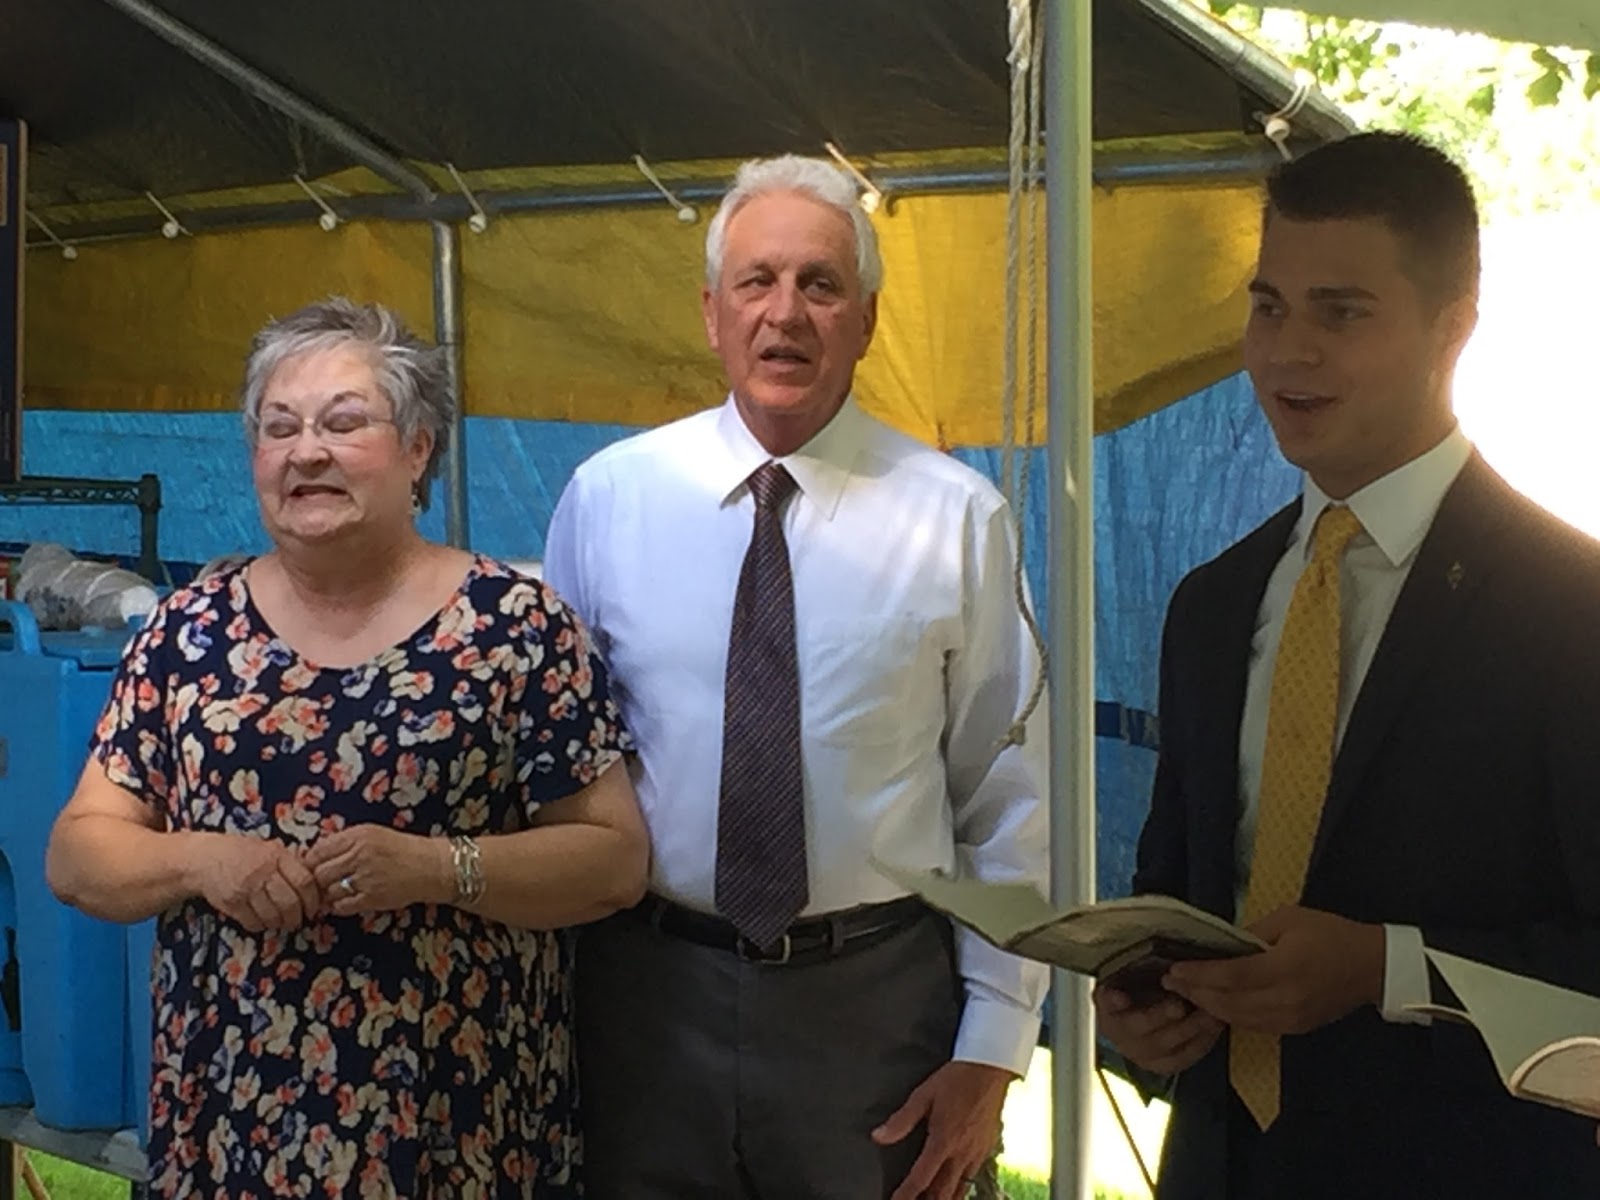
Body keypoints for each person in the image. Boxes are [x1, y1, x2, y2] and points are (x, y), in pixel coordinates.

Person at [45, 298, 649, 1197]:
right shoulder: (188, 633)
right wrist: (205, 861)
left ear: (418, 449)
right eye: (278, 427)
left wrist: (439, 869)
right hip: (233, 1126)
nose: (306, 452)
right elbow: (78, 855)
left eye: (343, 422)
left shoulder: (515, 629)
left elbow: (613, 860)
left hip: (457, 1126)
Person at [1096, 130, 1600, 1199]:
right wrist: (1147, 1003)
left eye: (1340, 313)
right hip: (1220, 1165)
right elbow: (1176, 887)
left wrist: (1386, 969)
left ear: (1452, 329)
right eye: (1268, 306)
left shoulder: (1571, 609)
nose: (1287, 352)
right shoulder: (1212, 604)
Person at [542, 155, 1049, 1200]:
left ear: (866, 319)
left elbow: (1008, 797)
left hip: (873, 1010)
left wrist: (995, 1045)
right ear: (710, 313)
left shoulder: (957, 518)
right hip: (646, 997)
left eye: (820, 284)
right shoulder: (609, 502)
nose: (786, 314)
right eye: (756, 282)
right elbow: (555, 763)